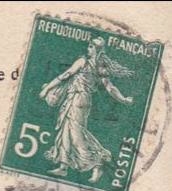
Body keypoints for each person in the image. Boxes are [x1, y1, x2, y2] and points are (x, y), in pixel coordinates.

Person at [39, 37, 134, 183]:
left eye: (90, 46)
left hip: (78, 99)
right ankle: (64, 166)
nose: (87, 49)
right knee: (67, 130)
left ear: (96, 49)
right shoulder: (100, 67)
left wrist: (47, 88)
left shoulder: (83, 62)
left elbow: (65, 76)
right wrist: (124, 99)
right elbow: (110, 88)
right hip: (80, 100)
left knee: (77, 134)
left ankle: (98, 163)